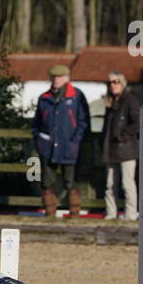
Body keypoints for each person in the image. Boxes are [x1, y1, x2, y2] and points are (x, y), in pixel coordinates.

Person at [32, 63, 90, 218]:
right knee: (47, 182)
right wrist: (39, 139)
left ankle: (74, 213)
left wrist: (75, 141)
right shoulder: (44, 98)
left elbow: (84, 121)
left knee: (71, 181)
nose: (55, 80)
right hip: (48, 147)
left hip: (69, 146)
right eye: (53, 77)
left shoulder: (76, 96)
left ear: (66, 78)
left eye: (59, 77)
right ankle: (50, 213)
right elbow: (36, 123)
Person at [102, 72, 140, 219]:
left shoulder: (130, 100)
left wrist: (122, 135)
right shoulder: (109, 102)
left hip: (126, 150)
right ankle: (111, 213)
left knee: (127, 184)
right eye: (110, 82)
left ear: (123, 83)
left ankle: (131, 214)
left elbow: (137, 122)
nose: (113, 84)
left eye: (116, 82)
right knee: (110, 185)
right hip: (110, 150)